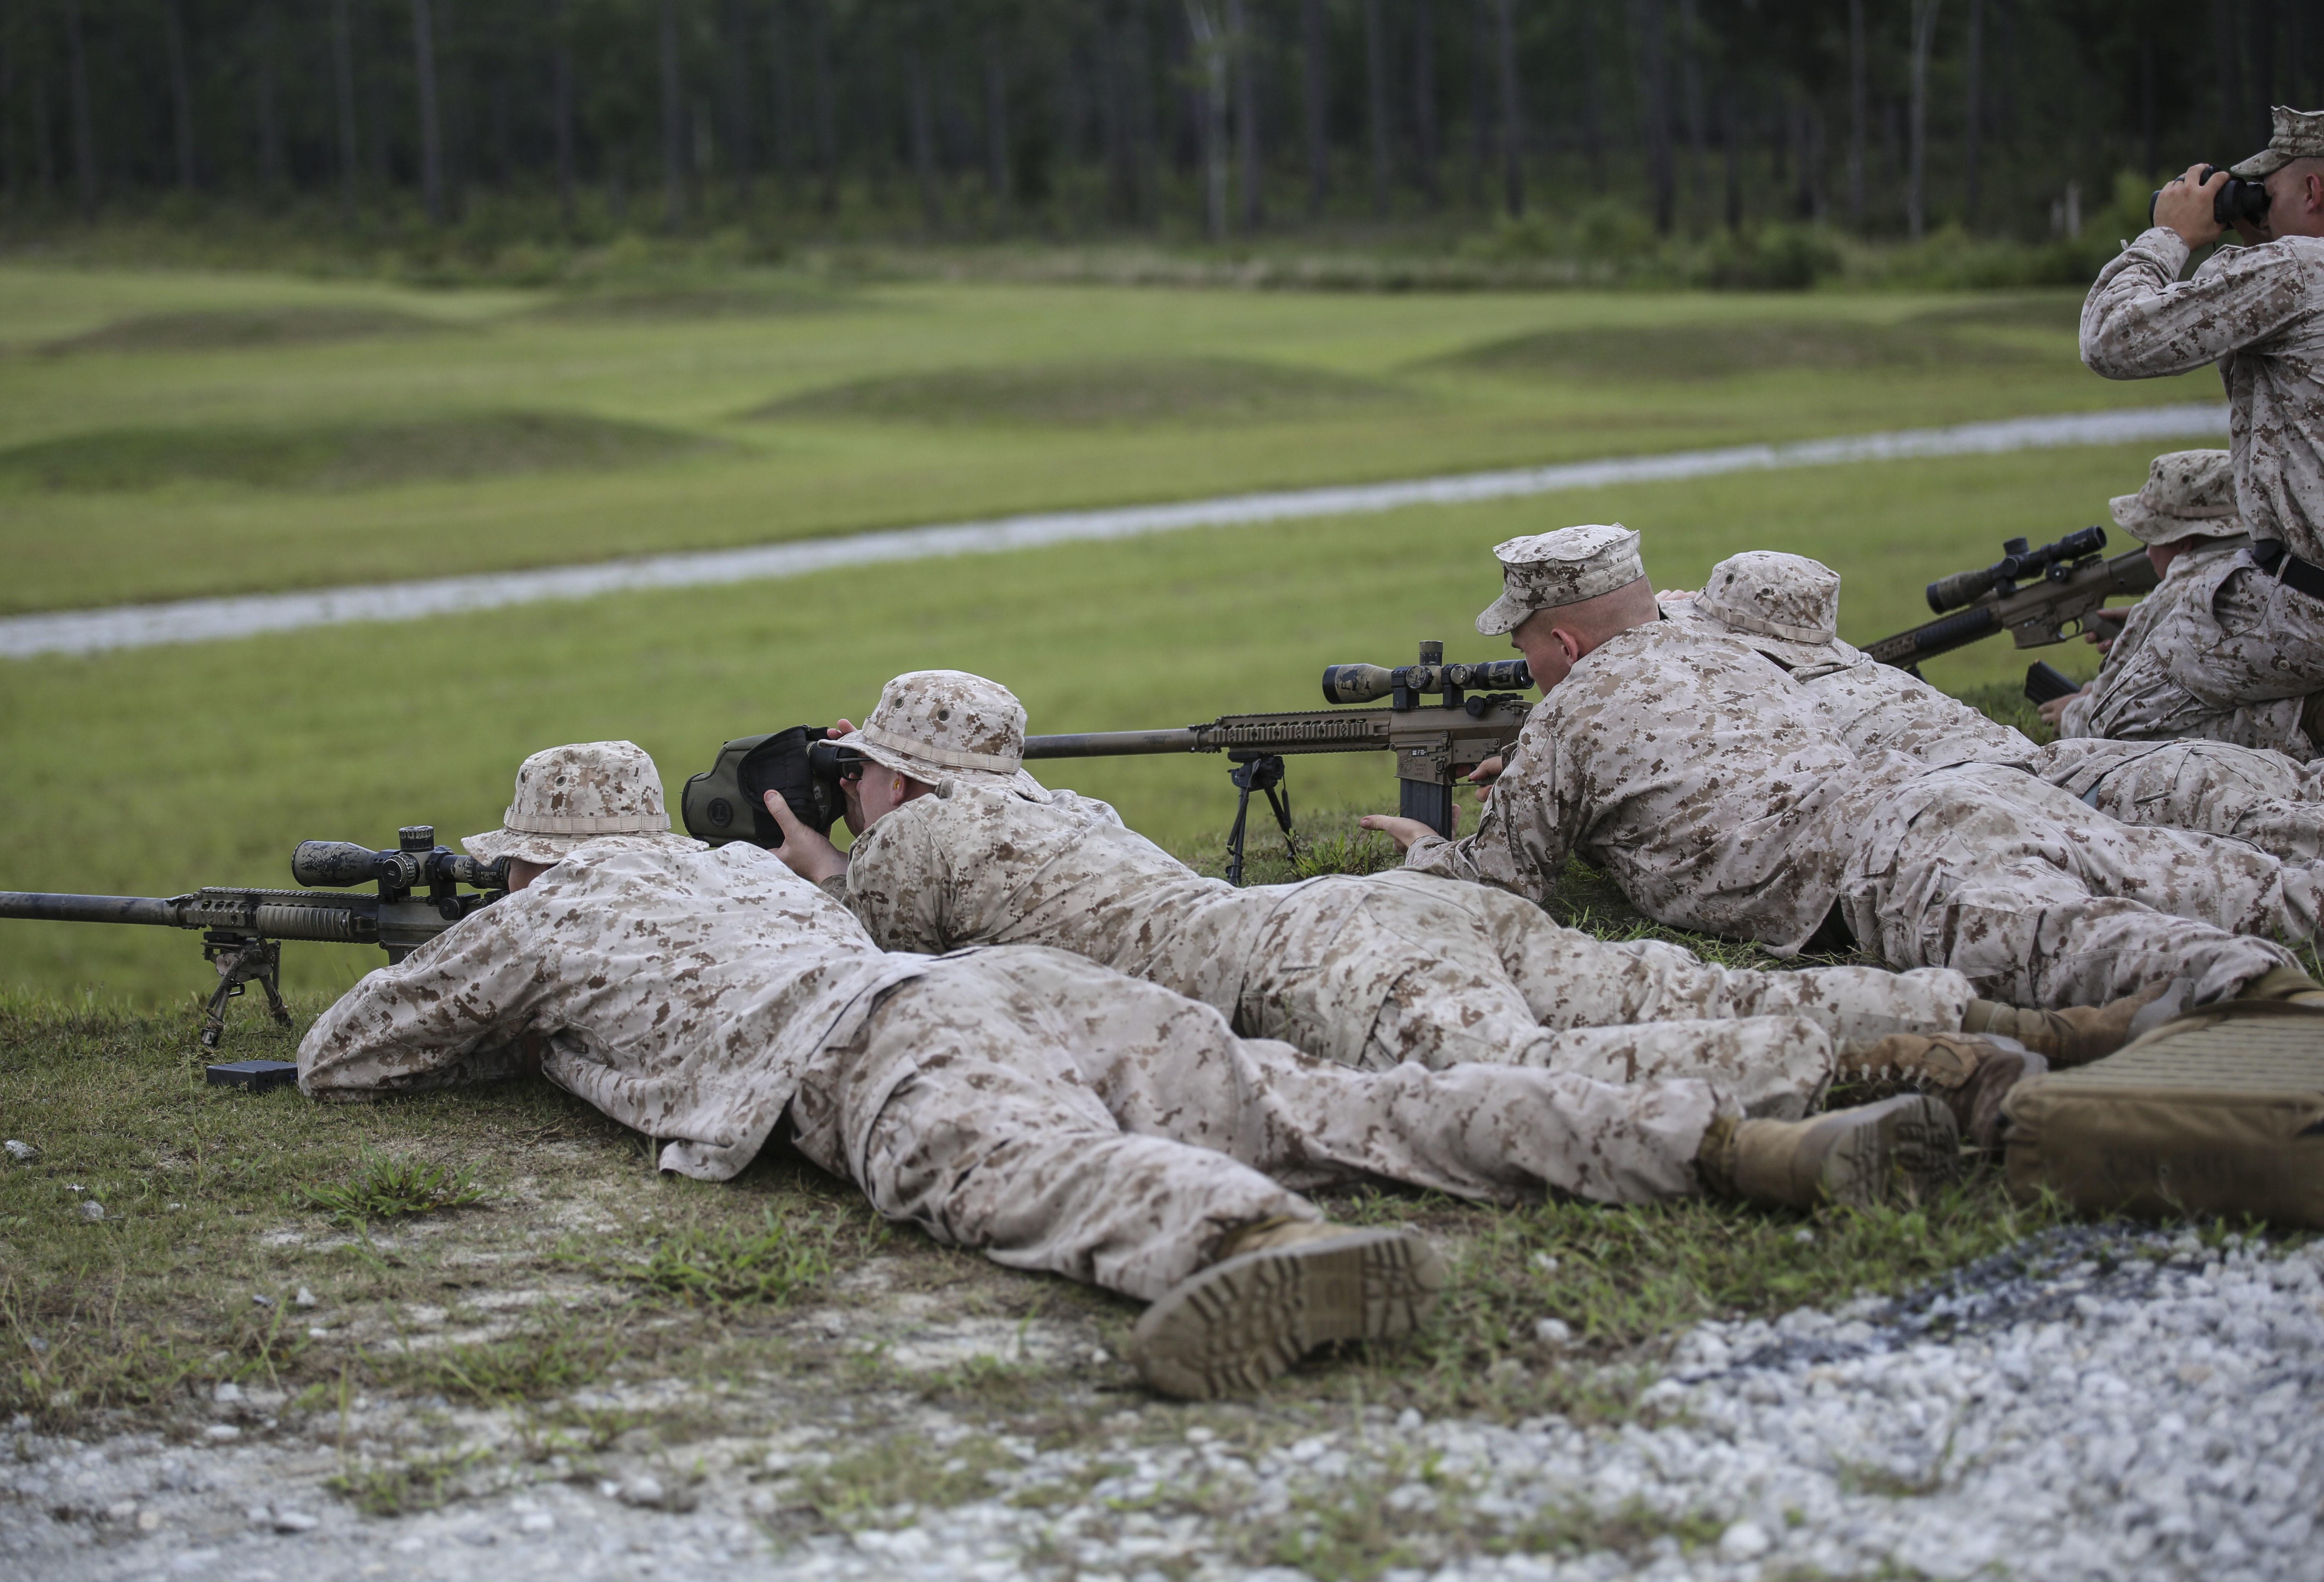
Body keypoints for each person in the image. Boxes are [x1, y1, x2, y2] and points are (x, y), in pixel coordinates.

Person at [297, 741, 1960, 1400]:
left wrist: (486, 974)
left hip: (872, 1043)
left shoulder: (538, 919)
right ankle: (1736, 1147)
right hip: (1019, 985)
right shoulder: (732, 870)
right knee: (1346, 1105)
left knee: (1021, 1172)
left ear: (527, 864)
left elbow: (343, 1063)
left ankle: (1251, 1250)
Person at [759, 671, 2039, 1142]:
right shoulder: (1063, 813)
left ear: (901, 775)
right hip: (1383, 910)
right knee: (1677, 980)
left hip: (1321, 953)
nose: (852, 783)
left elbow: (852, 935)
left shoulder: (918, 834)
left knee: (1526, 1069)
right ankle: (1942, 1009)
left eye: (861, 766)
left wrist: (812, 850)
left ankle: (1873, 1063)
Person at [1360, 526, 2324, 1022]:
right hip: (1955, 793)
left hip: (1893, 871)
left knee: (2163, 967)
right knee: (2262, 896)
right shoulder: (1733, 652)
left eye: (1529, 647)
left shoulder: (1567, 717)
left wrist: (1425, 851)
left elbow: (1500, 882)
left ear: (1561, 643)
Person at [1673, 545, 2324, 866]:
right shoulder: (1862, 666)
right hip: (2046, 762)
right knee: (2246, 798)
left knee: (2198, 846)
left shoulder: (1764, 689)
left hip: (1993, 796)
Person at [2080, 107, 2324, 729]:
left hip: (2306, 609)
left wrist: (2171, 237)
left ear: (2315, 191)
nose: (2255, 215)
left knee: (2111, 728)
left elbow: (2112, 339)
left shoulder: (2297, 271)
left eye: (2265, 196)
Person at [2042, 450, 2318, 755]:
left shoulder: (2178, 593)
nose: (2147, 554)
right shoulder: (2264, 572)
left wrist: (2071, 712)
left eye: (2151, 540)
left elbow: (2104, 724)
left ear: (2184, 542)